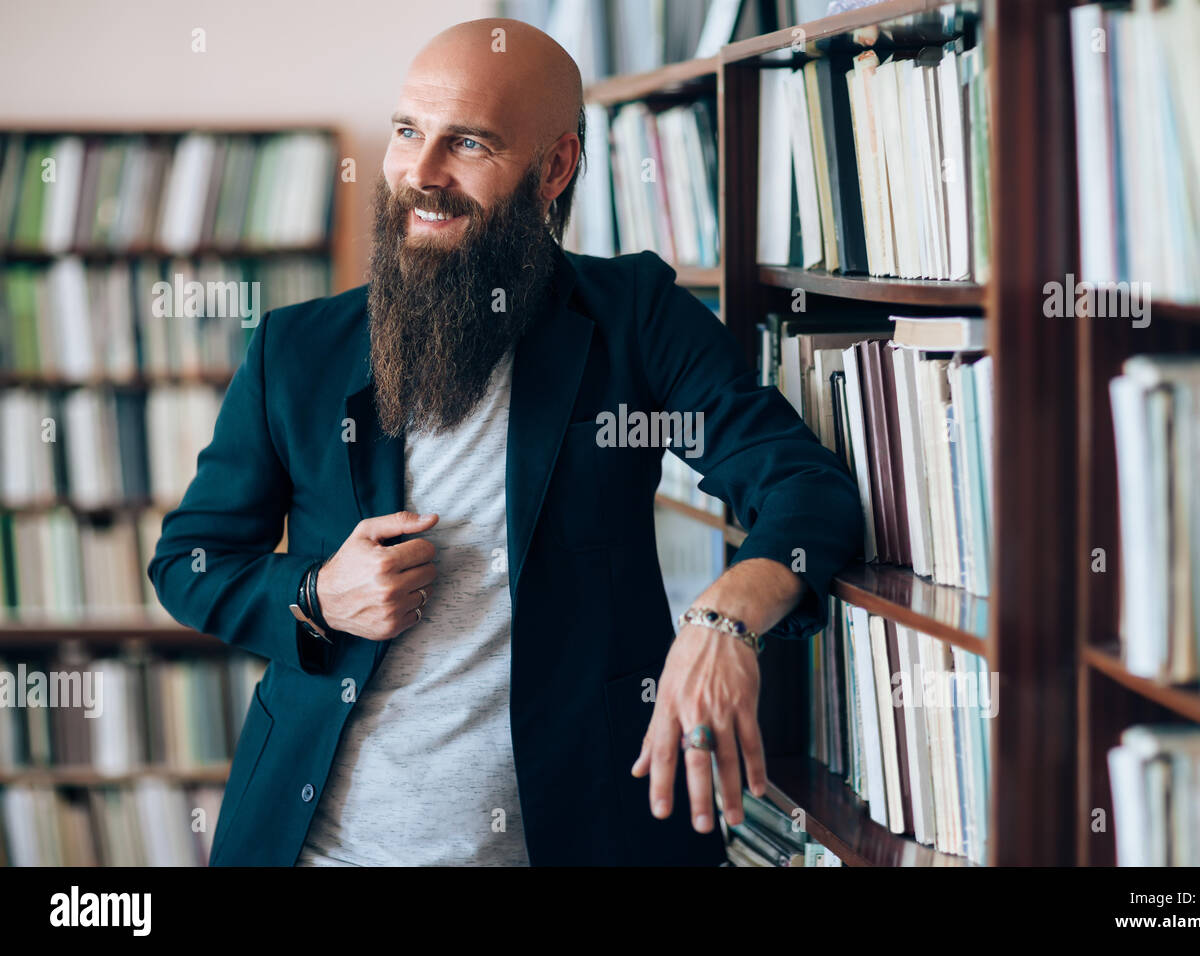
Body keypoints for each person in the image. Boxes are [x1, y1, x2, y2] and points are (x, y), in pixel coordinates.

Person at [148, 16, 863, 866]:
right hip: (316, 845)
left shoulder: (634, 320)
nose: (421, 172)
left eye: (470, 144)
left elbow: (804, 487)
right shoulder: (293, 351)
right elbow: (189, 563)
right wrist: (316, 594)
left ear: (553, 167)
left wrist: (726, 621)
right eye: (408, 131)